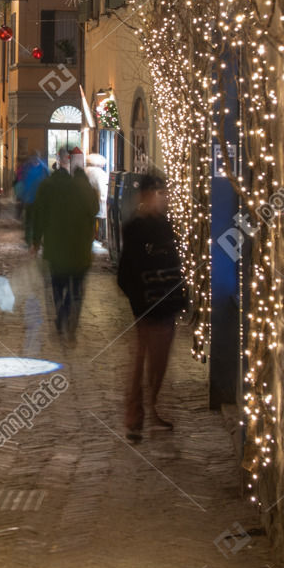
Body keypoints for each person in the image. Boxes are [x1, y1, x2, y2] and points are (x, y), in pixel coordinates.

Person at [117, 173, 188, 441]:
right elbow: (126, 272)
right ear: (146, 195)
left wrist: (177, 295)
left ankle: (151, 409)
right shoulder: (136, 228)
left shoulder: (165, 225)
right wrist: (140, 301)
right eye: (160, 194)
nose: (164, 199)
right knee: (142, 361)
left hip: (166, 304)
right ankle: (135, 417)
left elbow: (173, 264)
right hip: (148, 306)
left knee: (159, 361)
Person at [26, 148, 98, 341]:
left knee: (58, 285)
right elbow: (94, 210)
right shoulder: (83, 188)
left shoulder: (47, 186)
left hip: (55, 248)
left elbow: (38, 215)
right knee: (76, 289)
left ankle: (61, 316)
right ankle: (68, 318)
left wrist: (36, 241)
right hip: (80, 250)